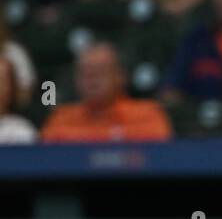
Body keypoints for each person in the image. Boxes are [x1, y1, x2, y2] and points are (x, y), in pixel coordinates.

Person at [41, 42, 172, 143]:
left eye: (101, 71)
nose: (92, 79)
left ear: (120, 76)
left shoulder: (147, 115)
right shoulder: (61, 119)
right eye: (84, 73)